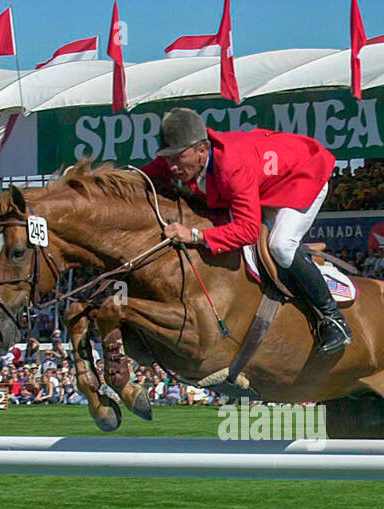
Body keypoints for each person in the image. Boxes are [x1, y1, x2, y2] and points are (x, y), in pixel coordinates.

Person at [140, 107, 352, 354]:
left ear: (201, 150)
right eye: (168, 157)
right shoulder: (184, 157)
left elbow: (249, 230)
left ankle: (333, 319)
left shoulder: (231, 167)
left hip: (302, 177)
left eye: (178, 157)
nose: (172, 166)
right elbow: (141, 175)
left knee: (280, 246)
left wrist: (195, 235)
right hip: (265, 184)